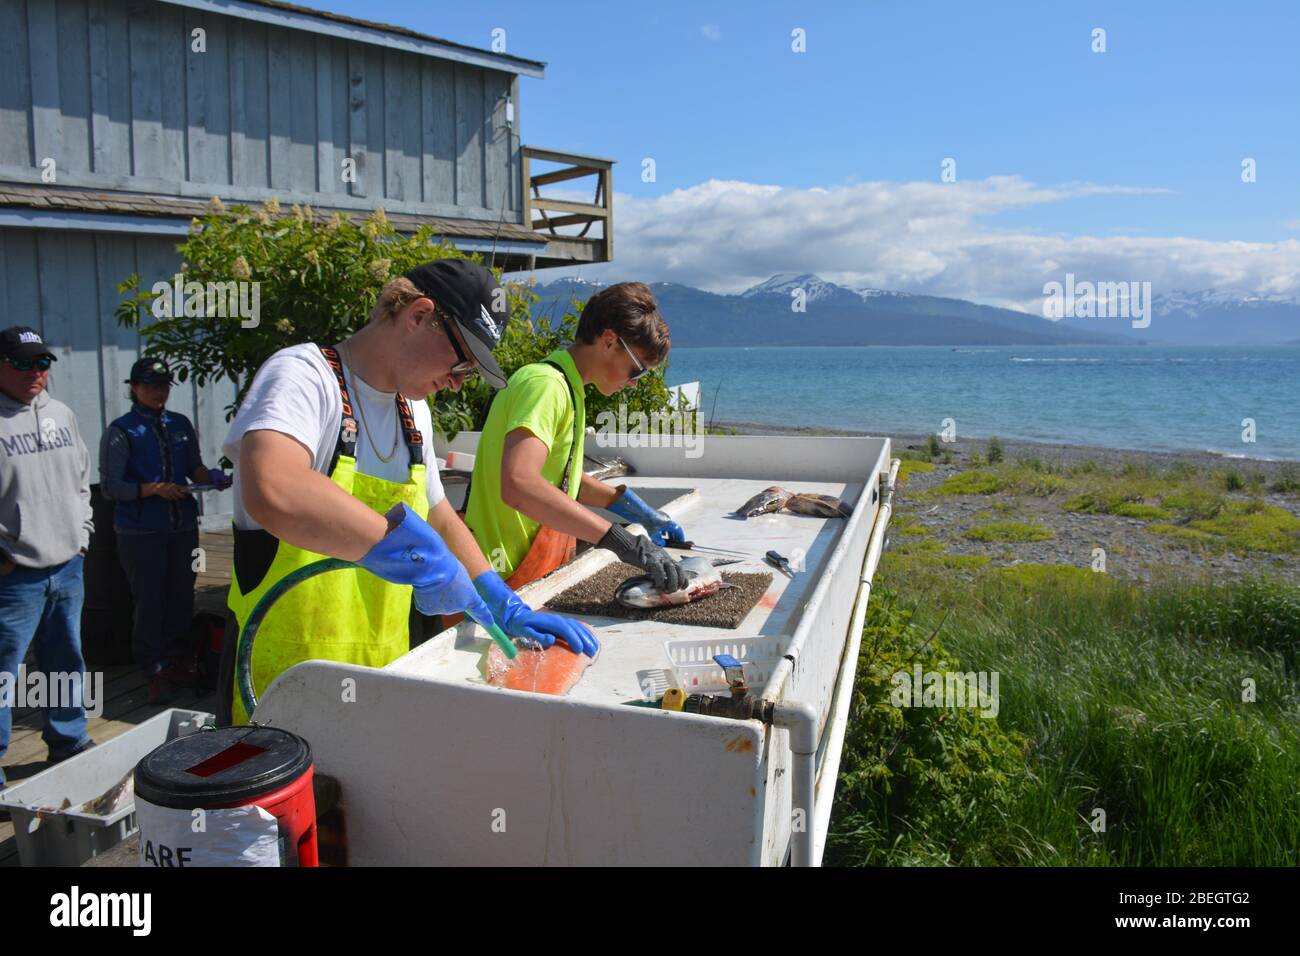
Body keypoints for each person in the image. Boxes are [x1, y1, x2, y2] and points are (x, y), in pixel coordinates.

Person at [217, 259, 596, 726]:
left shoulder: (413, 412)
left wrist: (502, 601)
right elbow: (273, 487)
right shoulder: (303, 375)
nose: (458, 383)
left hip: (382, 681)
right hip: (278, 691)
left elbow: (440, 516)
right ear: (418, 315)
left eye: (471, 372)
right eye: (461, 361)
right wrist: (411, 555)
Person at [465, 282, 688, 593]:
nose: (635, 383)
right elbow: (518, 483)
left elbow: (562, 481)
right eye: (636, 370)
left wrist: (637, 511)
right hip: (498, 578)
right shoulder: (545, 385)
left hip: (529, 575)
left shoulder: (570, 389)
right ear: (609, 341)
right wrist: (621, 541)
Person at [99, 356, 232, 704]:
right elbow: (112, 487)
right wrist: (155, 489)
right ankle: (152, 667)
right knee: (149, 599)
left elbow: (194, 468)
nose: (158, 392)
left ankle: (178, 659)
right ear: (133, 388)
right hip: (141, 532)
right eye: (150, 386)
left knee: (181, 594)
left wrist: (212, 479)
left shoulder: (180, 424)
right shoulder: (121, 431)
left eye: (163, 386)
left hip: (182, 527)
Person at [0, 326, 95, 787]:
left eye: (42, 363)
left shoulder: (61, 413)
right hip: (14, 575)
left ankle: (69, 741)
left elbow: (82, 478)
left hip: (67, 565)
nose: (35, 372)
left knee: (66, 660)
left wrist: (82, 536)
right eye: (22, 363)